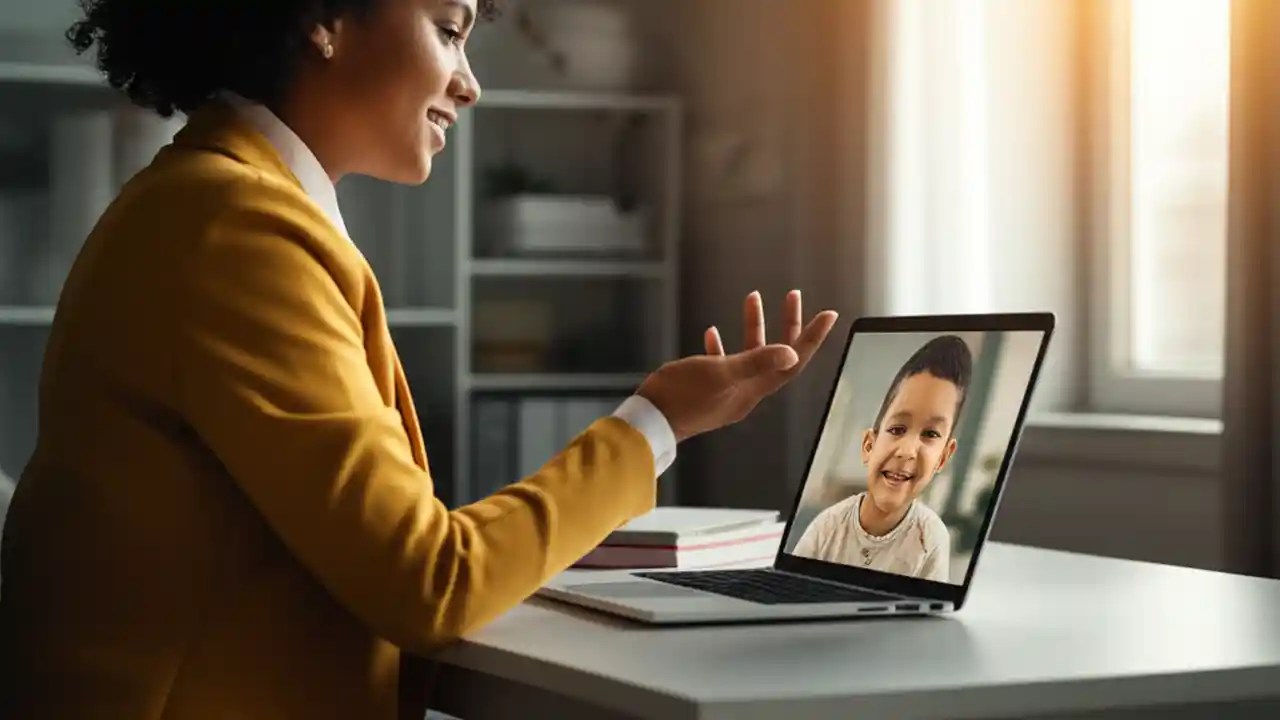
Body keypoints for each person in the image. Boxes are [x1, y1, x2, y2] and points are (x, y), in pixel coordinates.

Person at [0, 1, 839, 718]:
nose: (470, 82)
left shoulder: (214, 203)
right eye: (447, 28)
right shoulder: (236, 230)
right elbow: (431, 582)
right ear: (322, 17)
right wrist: (657, 421)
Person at [792, 335, 972, 583]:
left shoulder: (930, 539)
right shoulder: (828, 527)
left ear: (942, 458)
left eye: (930, 434)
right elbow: (792, 585)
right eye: (897, 429)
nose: (907, 451)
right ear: (869, 446)